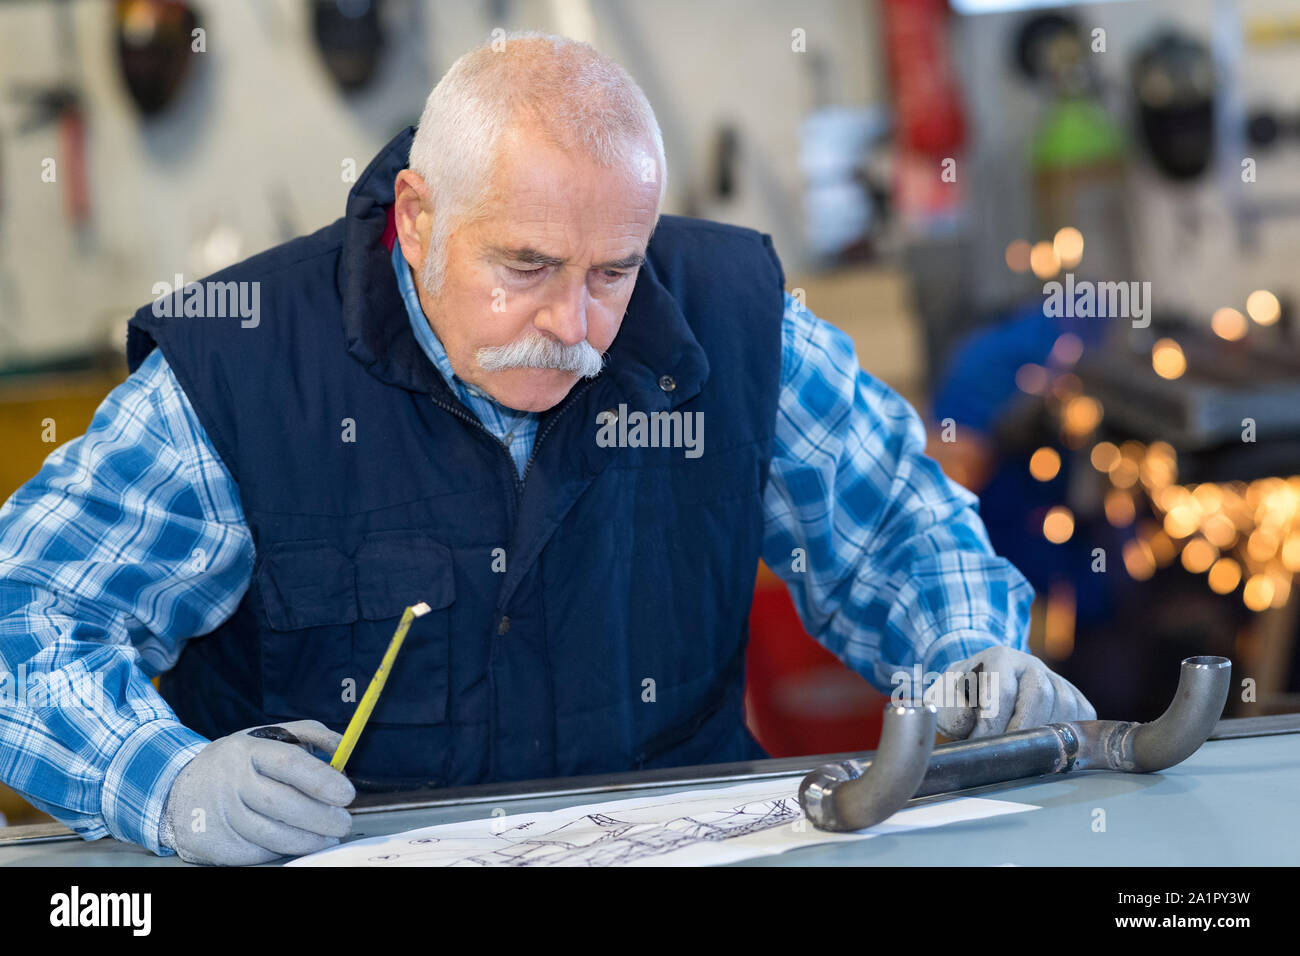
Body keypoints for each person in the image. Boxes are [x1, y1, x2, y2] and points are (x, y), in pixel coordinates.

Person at [0, 32, 1093, 866]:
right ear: (417, 220)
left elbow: (895, 522)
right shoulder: (243, 368)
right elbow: (23, 617)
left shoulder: (725, 321)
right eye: (525, 266)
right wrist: (166, 779)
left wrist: (965, 659)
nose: (576, 325)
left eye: (611, 270)